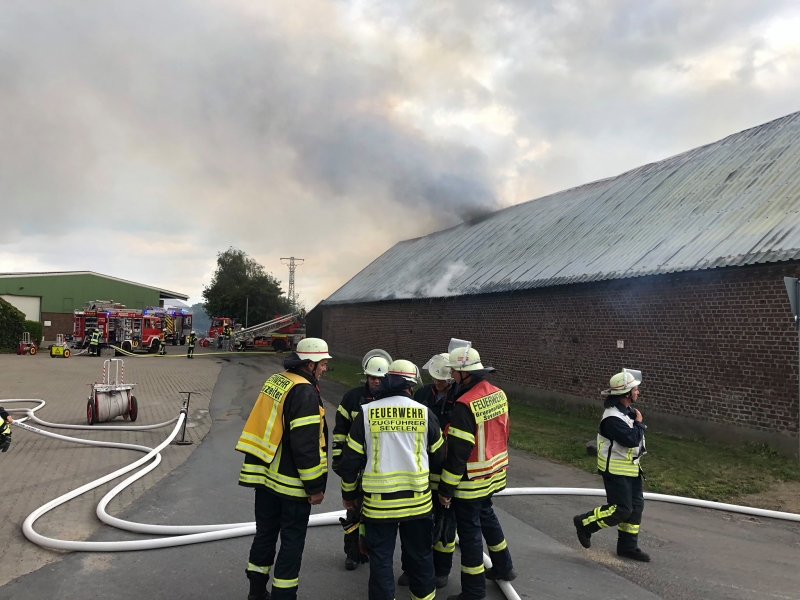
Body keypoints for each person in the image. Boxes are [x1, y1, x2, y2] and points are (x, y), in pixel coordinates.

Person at [235, 338, 331, 600]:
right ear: (309, 364)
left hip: (264, 477)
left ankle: (256, 591)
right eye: (322, 364)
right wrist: (315, 487)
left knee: (265, 533)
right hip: (291, 483)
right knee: (292, 541)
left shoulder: (278, 380)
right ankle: (284, 595)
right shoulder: (305, 392)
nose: (324, 369)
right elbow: (306, 444)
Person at [339, 368, 445, 600]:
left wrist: (349, 495)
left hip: (379, 506)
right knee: (420, 557)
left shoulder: (365, 414)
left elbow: (349, 462)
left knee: (380, 560)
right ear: (410, 387)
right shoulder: (425, 413)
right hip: (418, 503)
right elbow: (439, 456)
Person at [437, 344, 516, 600]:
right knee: (489, 518)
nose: (451, 377)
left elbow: (458, 454)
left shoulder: (464, 405)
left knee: (470, 536)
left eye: (453, 373)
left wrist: (446, 490)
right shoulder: (497, 394)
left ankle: (473, 592)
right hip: (494, 473)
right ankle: (504, 567)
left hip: (471, 482)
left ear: (463, 374)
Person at [573, 369, 650, 562]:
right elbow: (631, 439)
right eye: (635, 389)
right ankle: (584, 523)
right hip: (615, 471)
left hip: (630, 469)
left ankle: (627, 547)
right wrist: (639, 424)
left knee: (635, 507)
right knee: (621, 509)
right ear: (626, 394)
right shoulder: (612, 419)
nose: (638, 392)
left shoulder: (626, 413)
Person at [332, 350, 392, 571]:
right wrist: (339, 460)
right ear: (366, 376)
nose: (375, 381)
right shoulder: (352, 398)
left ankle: (376, 552)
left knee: (381, 514)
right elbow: (340, 431)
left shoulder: (392, 400)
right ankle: (352, 553)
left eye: (380, 378)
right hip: (356, 466)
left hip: (383, 468)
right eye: (372, 377)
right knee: (353, 511)